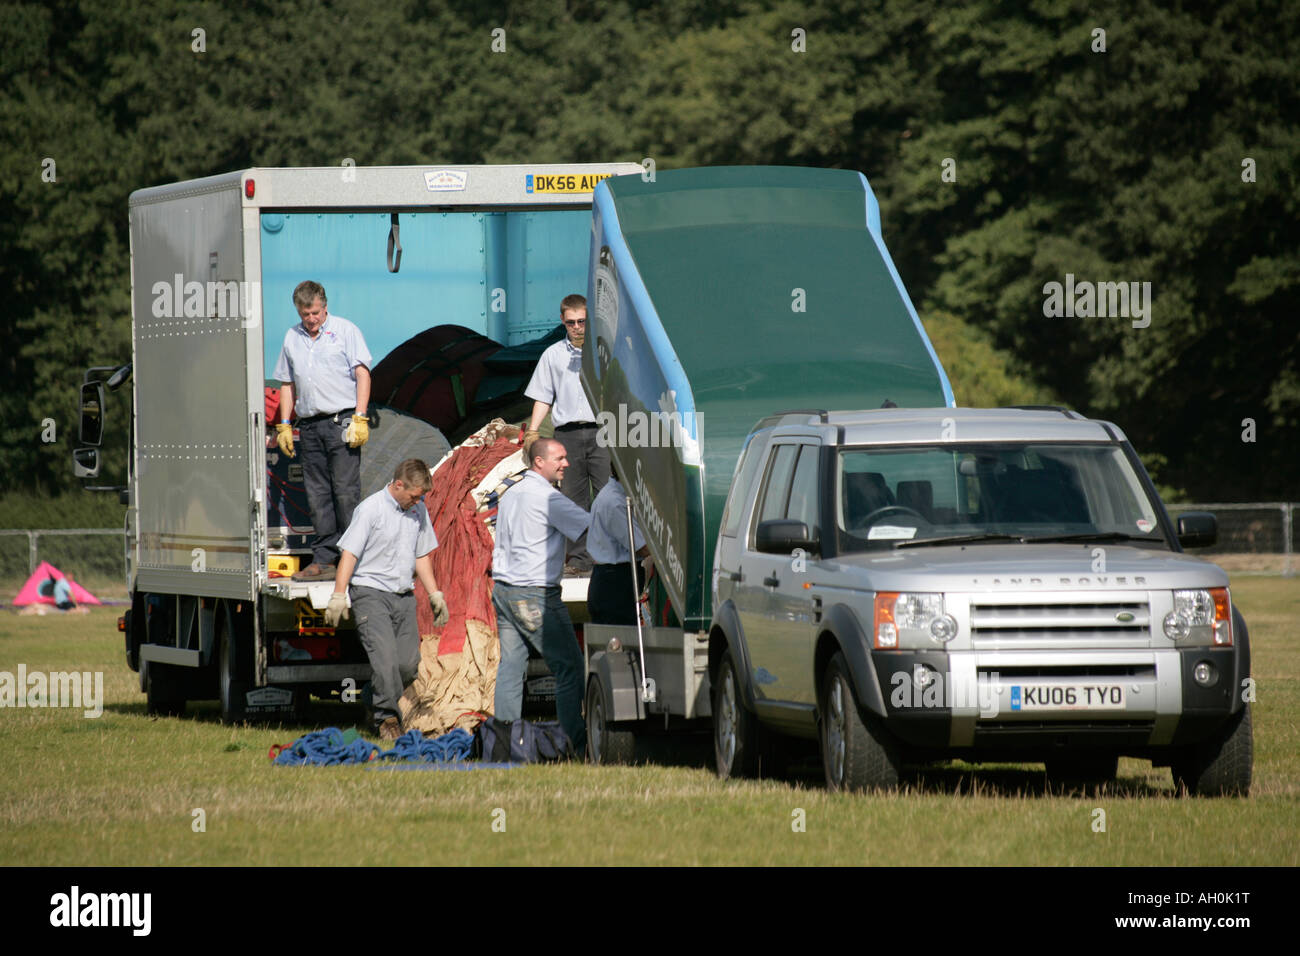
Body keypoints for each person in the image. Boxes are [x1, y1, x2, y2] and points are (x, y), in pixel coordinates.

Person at [324, 459, 450, 741]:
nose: (418, 500)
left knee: (407, 665)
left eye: (422, 496)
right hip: (370, 594)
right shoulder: (371, 509)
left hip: (403, 596)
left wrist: (434, 593)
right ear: (398, 484)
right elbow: (350, 554)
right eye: (415, 495)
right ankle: (387, 719)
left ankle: (371, 697)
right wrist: (338, 595)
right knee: (385, 662)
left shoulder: (418, 510)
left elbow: (421, 556)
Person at [491, 437, 591, 751]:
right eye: (559, 458)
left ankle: (503, 744)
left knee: (511, 666)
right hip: (534, 594)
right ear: (539, 462)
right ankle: (574, 742)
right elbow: (591, 529)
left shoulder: (512, 491)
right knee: (570, 668)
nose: (567, 463)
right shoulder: (548, 498)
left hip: (505, 590)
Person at [273, 280, 373, 581]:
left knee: (345, 492)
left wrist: (360, 416)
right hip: (311, 426)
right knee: (317, 495)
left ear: (324, 306)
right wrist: (285, 425)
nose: (311, 319)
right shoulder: (292, 338)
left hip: (340, 421)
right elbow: (287, 384)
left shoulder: (345, 331)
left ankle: (353, 557)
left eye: (315, 313)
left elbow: (362, 374)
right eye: (305, 314)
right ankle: (324, 558)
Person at [523, 294, 610, 569]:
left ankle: (612, 555)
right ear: (562, 321)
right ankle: (581, 559)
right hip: (568, 434)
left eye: (582, 321)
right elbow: (543, 397)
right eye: (571, 322)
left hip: (602, 430)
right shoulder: (553, 355)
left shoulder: (603, 351)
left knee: (609, 494)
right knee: (573, 498)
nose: (577, 327)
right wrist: (533, 432)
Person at [586, 466, 653, 625]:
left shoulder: (614, 496)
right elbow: (643, 548)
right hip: (615, 584)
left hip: (613, 580)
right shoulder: (614, 502)